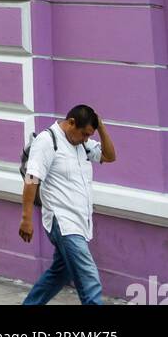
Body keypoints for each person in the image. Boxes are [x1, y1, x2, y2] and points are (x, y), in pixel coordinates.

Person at [21, 104, 116, 306]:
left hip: (80, 221)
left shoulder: (82, 144)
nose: (86, 139)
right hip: (62, 221)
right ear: (71, 122)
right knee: (89, 278)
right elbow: (31, 178)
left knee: (60, 273)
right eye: (84, 134)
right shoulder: (47, 141)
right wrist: (26, 219)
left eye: (89, 135)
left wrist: (101, 127)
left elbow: (109, 156)